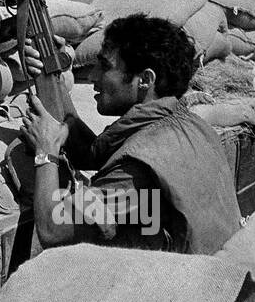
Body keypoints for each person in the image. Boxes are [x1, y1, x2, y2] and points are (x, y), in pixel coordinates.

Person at [17, 13, 241, 255]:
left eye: (105, 67)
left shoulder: (135, 172)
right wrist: (54, 78)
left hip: (180, 286)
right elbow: (93, 153)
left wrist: (46, 151)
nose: (92, 76)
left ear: (145, 79)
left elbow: (53, 229)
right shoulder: (187, 124)